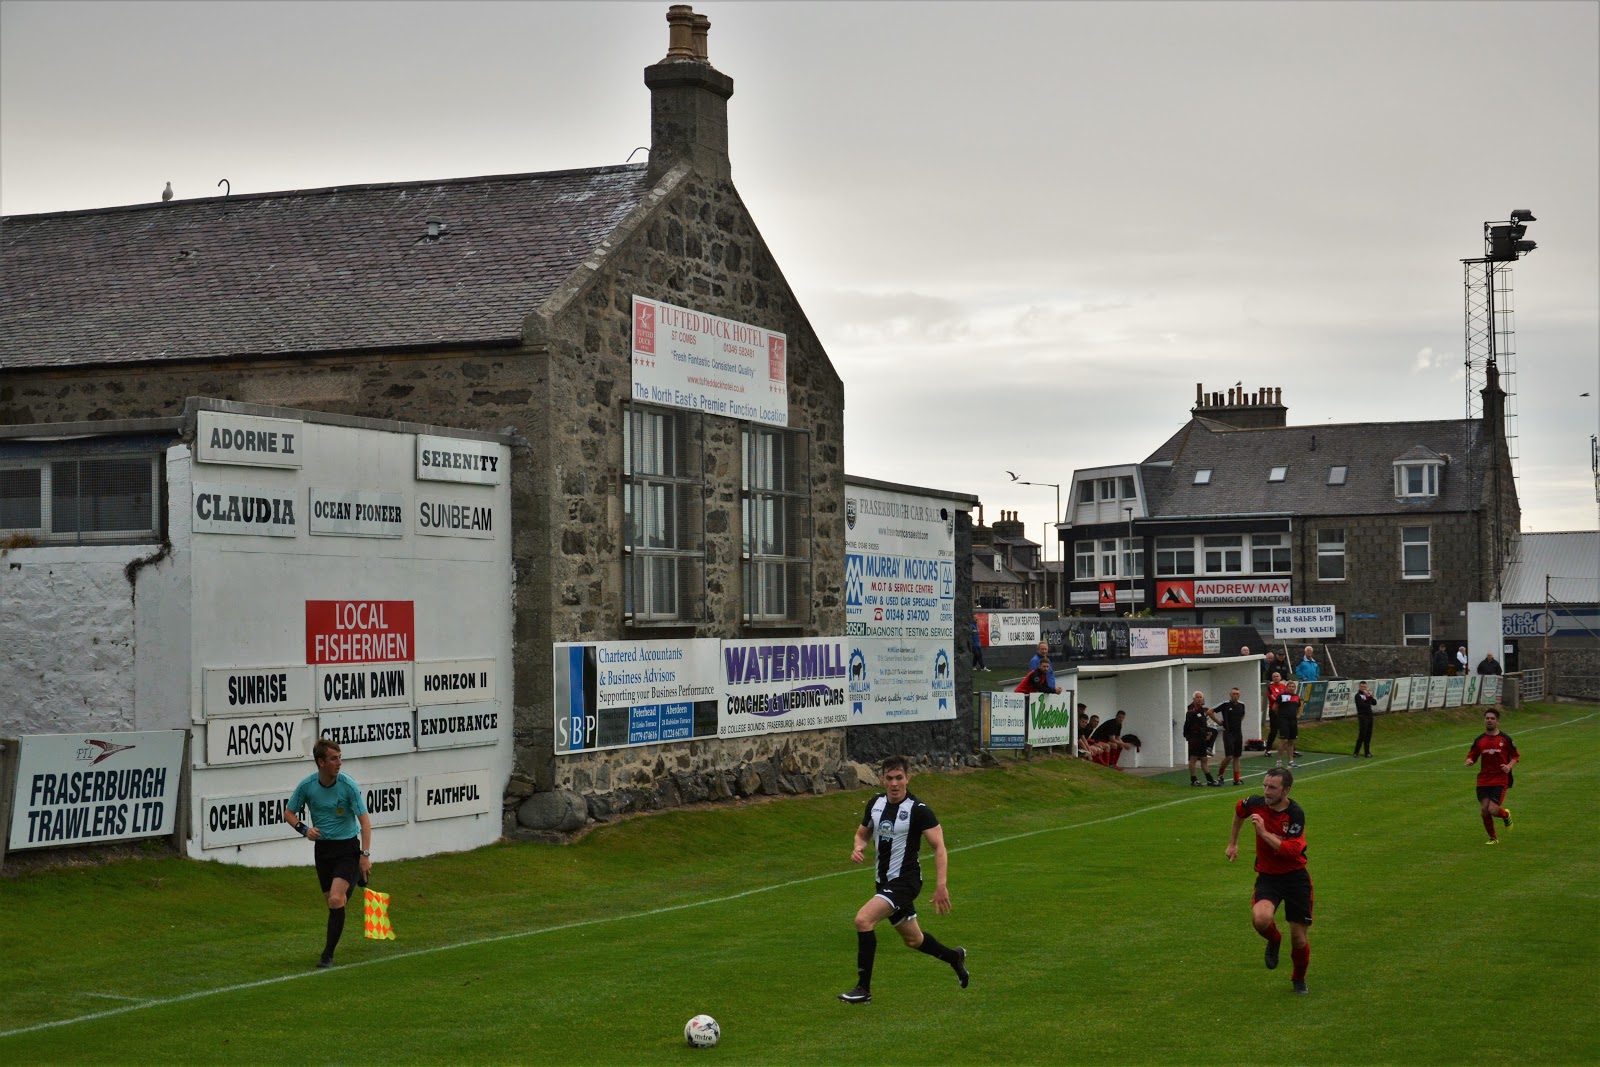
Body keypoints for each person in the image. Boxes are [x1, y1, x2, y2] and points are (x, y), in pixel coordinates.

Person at [839, 756, 968, 1004]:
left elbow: (939, 847)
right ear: (882, 779)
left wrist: (941, 885)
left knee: (863, 920)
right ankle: (954, 957)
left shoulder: (919, 811)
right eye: (889, 778)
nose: (894, 783)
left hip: (905, 882)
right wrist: (859, 847)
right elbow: (862, 833)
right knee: (914, 940)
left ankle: (863, 989)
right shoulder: (875, 804)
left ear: (908, 778)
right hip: (884, 882)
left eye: (899, 778)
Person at [282, 739, 372, 969]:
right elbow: (289, 813)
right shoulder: (308, 786)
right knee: (333, 903)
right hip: (323, 851)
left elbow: (364, 821)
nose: (339, 763)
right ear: (320, 762)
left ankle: (327, 956)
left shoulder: (348, 785)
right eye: (334, 759)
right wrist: (304, 829)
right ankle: (357, 879)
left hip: (347, 848)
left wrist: (365, 854)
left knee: (335, 899)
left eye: (340, 758)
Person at [1225, 766, 1313, 995]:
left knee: (1299, 939)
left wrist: (1264, 834)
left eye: (1272, 787)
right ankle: (1274, 939)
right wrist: (1233, 842)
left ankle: (1298, 979)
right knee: (1261, 919)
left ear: (1286, 790)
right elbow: (1239, 810)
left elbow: (1292, 851)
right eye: (1265, 785)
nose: (1266, 791)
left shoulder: (1295, 814)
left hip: (1296, 879)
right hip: (1269, 878)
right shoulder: (1255, 803)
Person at [1465, 708, 1518, 845]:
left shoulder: (1505, 739)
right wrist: (1470, 761)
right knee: (1484, 810)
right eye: (1487, 718)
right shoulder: (1479, 740)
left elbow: (1516, 756)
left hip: (1500, 779)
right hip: (1484, 779)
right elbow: (1473, 755)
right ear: (1484, 720)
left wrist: (1509, 766)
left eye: (1492, 718)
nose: (1489, 720)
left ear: (1497, 721)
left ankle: (1506, 815)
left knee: (1493, 810)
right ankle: (1493, 838)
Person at [1183, 692, 1221, 786]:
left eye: (1201, 697)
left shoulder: (1201, 710)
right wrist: (1190, 736)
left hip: (1202, 739)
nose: (1199, 699)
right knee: (1193, 758)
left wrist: (1206, 733)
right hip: (1194, 738)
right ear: (1194, 699)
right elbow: (1189, 726)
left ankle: (1209, 779)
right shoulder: (1191, 711)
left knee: (1204, 759)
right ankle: (1194, 779)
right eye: (1197, 697)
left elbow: (1203, 724)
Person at [1213, 687, 1248, 786]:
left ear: (1239, 695)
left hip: (1238, 733)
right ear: (1230, 694)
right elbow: (1210, 711)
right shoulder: (1225, 704)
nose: (1235, 695)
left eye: (1237, 694)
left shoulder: (1242, 705)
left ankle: (1236, 779)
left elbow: (1242, 715)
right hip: (1228, 732)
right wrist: (1219, 722)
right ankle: (1220, 775)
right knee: (1229, 756)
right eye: (1233, 694)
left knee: (1237, 756)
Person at [1275, 680, 1302, 768]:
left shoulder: (1297, 697)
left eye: (1293, 687)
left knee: (1291, 740)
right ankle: (1279, 760)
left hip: (1293, 721)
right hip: (1283, 721)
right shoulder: (1281, 696)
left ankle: (1291, 761)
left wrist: (1297, 715)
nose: (1291, 688)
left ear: (1295, 688)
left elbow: (1299, 707)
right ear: (1287, 688)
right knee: (1284, 740)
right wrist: (1281, 716)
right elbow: (1275, 707)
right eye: (1289, 686)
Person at [1264, 671, 1287, 753]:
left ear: (1280, 677)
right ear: (1272, 678)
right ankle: (1268, 749)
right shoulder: (1270, 687)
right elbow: (1273, 697)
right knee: (1274, 730)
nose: (1276, 678)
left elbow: (1286, 696)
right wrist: (1280, 701)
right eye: (1274, 676)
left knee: (1286, 730)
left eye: (1277, 676)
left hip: (1283, 711)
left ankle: (1291, 750)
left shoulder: (1284, 686)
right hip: (1274, 711)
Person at [1353, 681, 1377, 758]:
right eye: (1362, 687)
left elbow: (1374, 702)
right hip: (1362, 716)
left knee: (1368, 734)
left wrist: (1369, 697)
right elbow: (1362, 705)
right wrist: (1367, 700)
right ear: (1360, 687)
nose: (1364, 688)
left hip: (1369, 716)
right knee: (1362, 734)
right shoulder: (1358, 696)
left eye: (1365, 687)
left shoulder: (1367, 695)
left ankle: (1367, 752)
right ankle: (1356, 752)